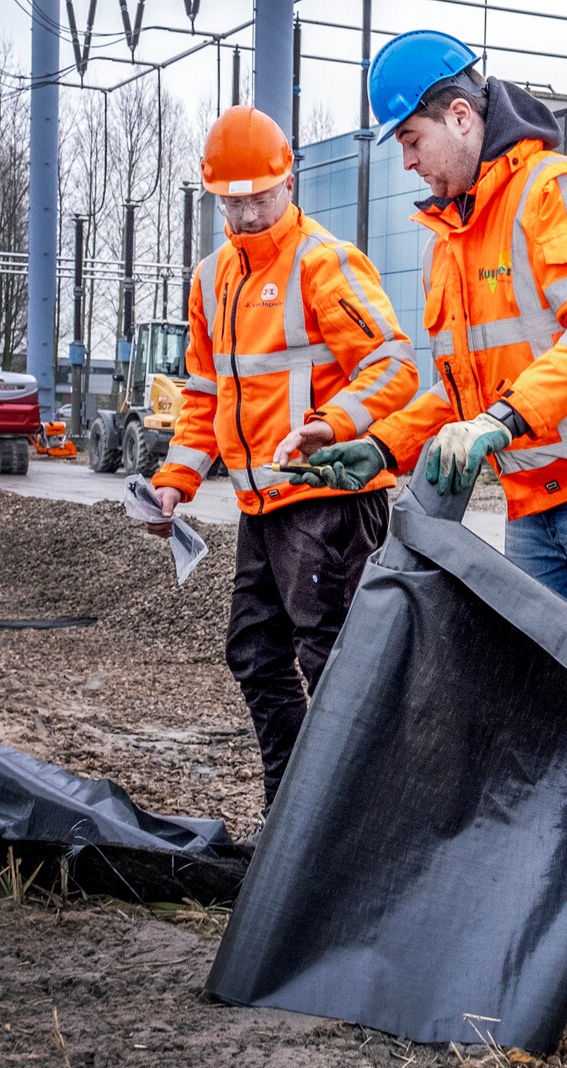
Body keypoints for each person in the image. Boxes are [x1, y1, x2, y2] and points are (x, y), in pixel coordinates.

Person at [285, 30, 567, 1029]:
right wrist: (379, 448)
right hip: (536, 501)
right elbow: (457, 398)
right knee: (548, 717)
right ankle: (540, 934)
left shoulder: (559, 193)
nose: (406, 163)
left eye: (410, 141)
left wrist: (499, 422)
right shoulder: (453, 244)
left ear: (460, 116)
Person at [144, 105, 418, 808]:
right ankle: (292, 806)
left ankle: (353, 818)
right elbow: (203, 394)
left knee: (334, 663)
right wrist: (175, 479)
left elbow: (393, 366)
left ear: (288, 183)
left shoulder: (325, 263)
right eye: (232, 202)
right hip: (262, 507)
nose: (247, 214)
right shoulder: (210, 279)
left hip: (329, 502)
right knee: (255, 653)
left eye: (259, 198)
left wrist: (332, 425)